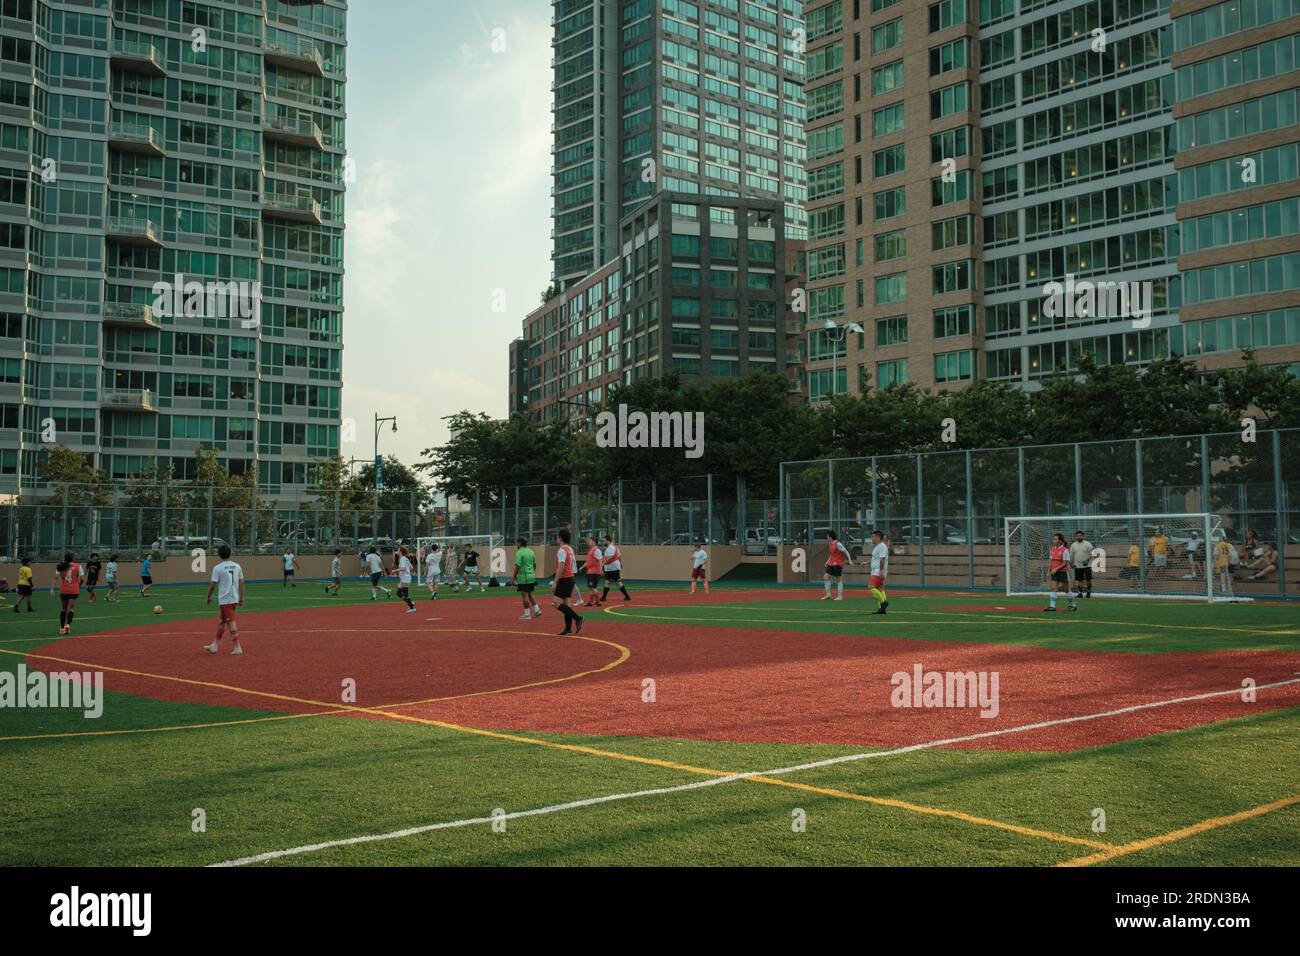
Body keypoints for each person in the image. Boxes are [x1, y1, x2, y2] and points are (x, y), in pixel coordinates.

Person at [204, 544, 245, 656]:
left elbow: (212, 584)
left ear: (219, 555)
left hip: (226, 599)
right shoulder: (237, 566)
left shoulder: (218, 568)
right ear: (230, 553)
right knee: (222, 621)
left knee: (231, 622)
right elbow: (241, 583)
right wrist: (241, 597)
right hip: (234, 598)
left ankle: (237, 647)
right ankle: (215, 645)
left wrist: (208, 596)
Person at [551, 529, 584, 635]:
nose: (556, 538)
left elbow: (561, 567)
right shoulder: (569, 549)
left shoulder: (561, 550)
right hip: (570, 578)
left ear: (560, 538)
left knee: (557, 603)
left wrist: (555, 582)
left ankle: (578, 618)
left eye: (557, 537)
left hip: (564, 579)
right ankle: (568, 629)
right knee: (567, 604)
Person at [510, 536, 541, 621]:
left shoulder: (519, 552)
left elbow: (517, 566)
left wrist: (513, 578)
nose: (516, 544)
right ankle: (537, 610)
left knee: (524, 595)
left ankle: (527, 614)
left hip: (524, 577)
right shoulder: (531, 551)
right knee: (530, 594)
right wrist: (532, 572)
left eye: (517, 542)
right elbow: (534, 564)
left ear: (519, 543)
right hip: (531, 576)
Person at [1045, 533, 1077, 613]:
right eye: (1053, 539)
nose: (1054, 540)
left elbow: (1065, 563)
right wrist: (1048, 571)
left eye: (1055, 539)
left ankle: (1072, 605)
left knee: (1066, 589)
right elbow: (1051, 561)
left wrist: (1056, 569)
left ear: (1060, 541)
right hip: (1054, 572)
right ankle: (1052, 606)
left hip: (1063, 572)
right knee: (1053, 589)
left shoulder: (1064, 550)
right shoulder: (1052, 549)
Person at [54, 552, 84, 635]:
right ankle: (68, 625)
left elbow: (56, 577)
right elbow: (82, 579)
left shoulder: (61, 566)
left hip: (64, 589)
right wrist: (78, 586)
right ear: (72, 558)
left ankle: (62, 628)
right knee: (71, 608)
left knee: (64, 609)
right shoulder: (78, 566)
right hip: (74, 589)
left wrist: (52, 588)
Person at [821, 530, 853, 601]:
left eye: (827, 536)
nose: (827, 537)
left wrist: (850, 560)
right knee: (825, 577)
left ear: (830, 537)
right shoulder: (830, 544)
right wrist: (827, 561)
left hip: (837, 564)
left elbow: (846, 551)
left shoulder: (838, 544)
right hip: (831, 563)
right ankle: (828, 594)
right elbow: (832, 554)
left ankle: (840, 596)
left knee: (839, 579)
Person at [600, 535, 631, 603]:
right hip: (609, 568)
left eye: (604, 540)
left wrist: (602, 564)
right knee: (607, 582)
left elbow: (611, 557)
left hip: (613, 568)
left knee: (617, 583)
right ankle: (603, 597)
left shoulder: (611, 547)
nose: (603, 542)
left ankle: (627, 596)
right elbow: (618, 556)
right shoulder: (611, 547)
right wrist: (620, 563)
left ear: (607, 540)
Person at [868, 530, 890, 615]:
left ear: (878, 537)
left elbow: (882, 559)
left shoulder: (881, 546)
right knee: (879, 590)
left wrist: (881, 571)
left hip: (877, 571)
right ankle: (882, 609)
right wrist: (866, 562)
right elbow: (875, 558)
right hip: (877, 571)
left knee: (871, 587)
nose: (872, 538)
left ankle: (884, 603)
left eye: (873, 536)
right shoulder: (878, 546)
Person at [1069, 531, 1094, 599]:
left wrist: (1087, 560)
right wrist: (1071, 563)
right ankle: (1080, 594)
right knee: (1079, 580)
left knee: (1088, 579)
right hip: (1078, 565)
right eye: (1077, 536)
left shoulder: (1087, 543)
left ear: (1083, 536)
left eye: (1080, 536)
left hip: (1087, 565)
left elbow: (1091, 554)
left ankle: (1088, 592)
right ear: (1076, 537)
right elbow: (1071, 555)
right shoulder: (1073, 545)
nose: (1079, 537)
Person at [582, 535, 604, 607]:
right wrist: (582, 567)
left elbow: (600, 560)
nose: (589, 542)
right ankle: (591, 602)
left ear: (594, 542)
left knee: (592, 587)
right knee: (591, 587)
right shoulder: (591, 550)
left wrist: (601, 570)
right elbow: (588, 561)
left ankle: (598, 601)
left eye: (590, 541)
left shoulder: (597, 550)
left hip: (594, 572)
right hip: (590, 571)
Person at [395, 545, 416, 613]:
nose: (397, 551)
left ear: (400, 551)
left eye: (398, 550)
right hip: (404, 578)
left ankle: (412, 607)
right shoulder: (405, 558)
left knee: (404, 593)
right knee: (398, 593)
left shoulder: (402, 559)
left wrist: (395, 570)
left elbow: (403, 568)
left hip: (405, 578)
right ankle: (410, 603)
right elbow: (411, 568)